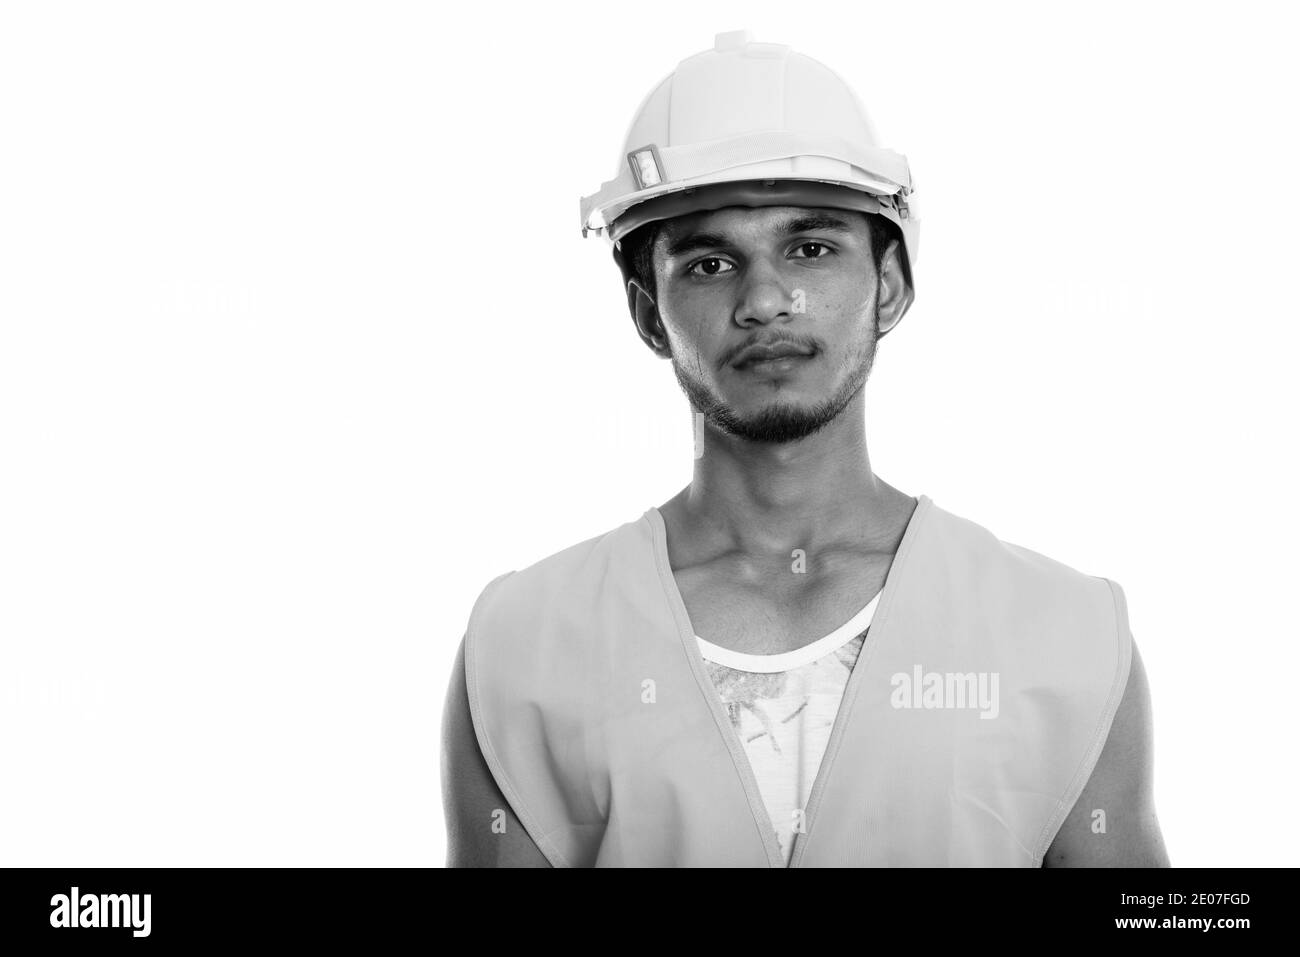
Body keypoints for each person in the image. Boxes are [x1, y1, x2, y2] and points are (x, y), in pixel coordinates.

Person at [441, 31, 1169, 867]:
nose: (764, 299)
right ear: (649, 312)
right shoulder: (523, 644)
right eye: (711, 261)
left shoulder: (1066, 634)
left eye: (810, 248)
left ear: (888, 284)